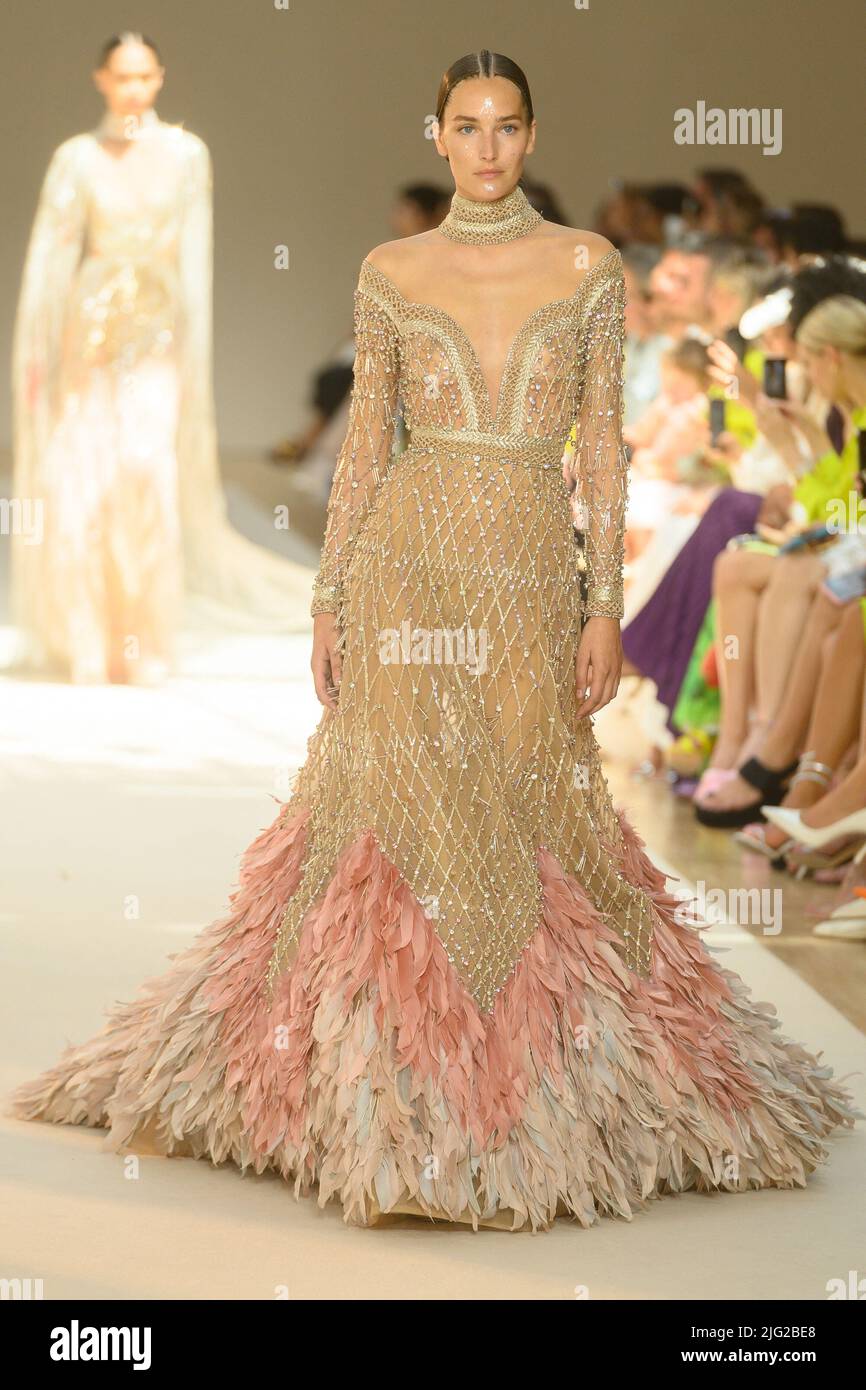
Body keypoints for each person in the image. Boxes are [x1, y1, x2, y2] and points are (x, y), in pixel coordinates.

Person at [9, 51, 858, 1233]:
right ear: (437, 135)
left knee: (523, 800)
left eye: (507, 126)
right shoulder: (391, 270)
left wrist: (602, 604)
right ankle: (376, 1093)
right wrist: (329, 599)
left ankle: (518, 1091)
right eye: (467, 127)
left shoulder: (586, 265)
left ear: (527, 133)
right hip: (407, 559)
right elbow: (365, 449)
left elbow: (603, 451)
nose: (488, 148)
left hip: (523, 567)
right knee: (390, 814)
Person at [9, 32, 312, 684]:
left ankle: (139, 639)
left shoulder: (185, 156)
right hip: (86, 332)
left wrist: (189, 351)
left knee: (144, 476)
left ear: (161, 78)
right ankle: (87, 635)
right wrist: (39, 353)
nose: (134, 89)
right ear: (100, 79)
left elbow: (192, 255)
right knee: (84, 481)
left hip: (156, 334)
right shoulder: (76, 160)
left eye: (145, 77)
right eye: (122, 77)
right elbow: (52, 259)